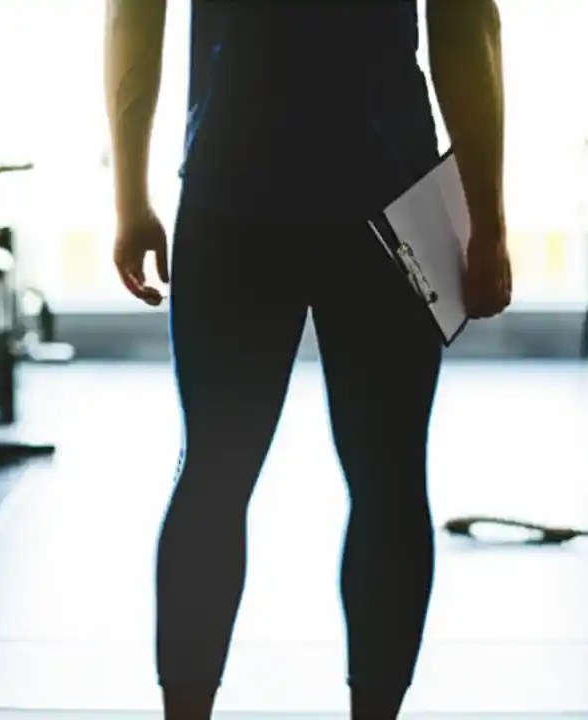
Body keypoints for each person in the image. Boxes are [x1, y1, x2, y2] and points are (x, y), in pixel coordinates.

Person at [104, 1, 509, 717]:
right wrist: (486, 217)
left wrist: (131, 195)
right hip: (370, 184)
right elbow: (467, 24)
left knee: (218, 475)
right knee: (379, 478)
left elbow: (133, 17)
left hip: (248, 185)